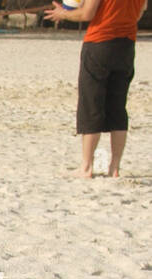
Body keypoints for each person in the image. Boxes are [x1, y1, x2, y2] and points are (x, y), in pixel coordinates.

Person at [45, 0, 146, 177]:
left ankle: (86, 167)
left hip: (100, 42)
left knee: (91, 104)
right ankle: (114, 167)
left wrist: (63, 14)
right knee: (117, 108)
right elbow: (138, 13)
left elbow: (87, 14)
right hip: (126, 45)